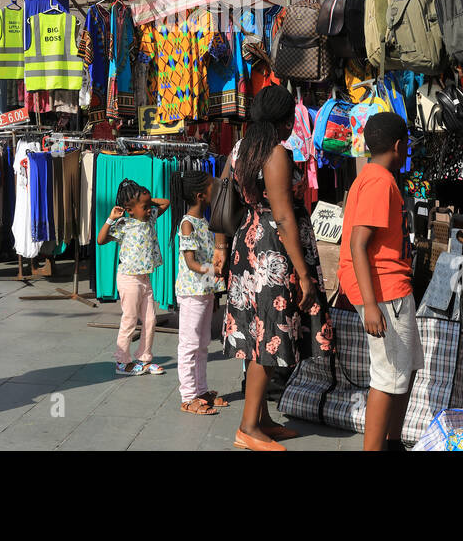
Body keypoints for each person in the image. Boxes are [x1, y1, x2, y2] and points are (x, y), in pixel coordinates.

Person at [222, 84, 332, 451]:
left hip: (249, 243)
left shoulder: (241, 150)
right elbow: (284, 218)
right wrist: (303, 275)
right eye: (289, 120)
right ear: (283, 121)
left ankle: (262, 419)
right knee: (267, 336)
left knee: (259, 332)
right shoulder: (276, 154)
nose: (291, 127)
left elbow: (229, 194)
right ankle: (248, 427)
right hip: (273, 250)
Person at [338, 111, 422, 451]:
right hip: (385, 291)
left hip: (389, 288)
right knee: (388, 377)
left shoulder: (372, 177)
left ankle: (392, 441)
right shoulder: (379, 182)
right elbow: (359, 243)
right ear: (400, 146)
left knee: (406, 368)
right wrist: (372, 306)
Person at [97, 179, 170, 377]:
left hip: (144, 278)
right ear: (129, 209)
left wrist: (146, 200)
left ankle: (144, 359)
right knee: (129, 320)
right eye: (144, 207)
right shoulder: (124, 224)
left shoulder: (151, 217)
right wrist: (111, 219)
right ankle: (122, 361)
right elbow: (101, 239)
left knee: (150, 320)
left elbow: (166, 202)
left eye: (148, 207)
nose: (149, 210)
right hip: (129, 279)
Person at [175, 169, 228, 415]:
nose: (214, 190)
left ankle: (201, 390)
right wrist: (215, 272)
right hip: (192, 292)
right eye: (210, 187)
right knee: (189, 344)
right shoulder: (188, 224)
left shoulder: (204, 221)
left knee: (203, 343)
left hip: (204, 291)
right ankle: (188, 396)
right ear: (199, 195)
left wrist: (214, 290)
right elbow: (191, 263)